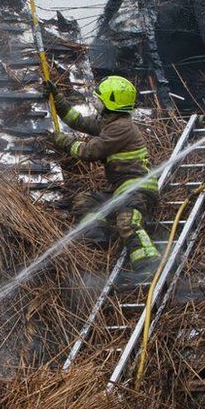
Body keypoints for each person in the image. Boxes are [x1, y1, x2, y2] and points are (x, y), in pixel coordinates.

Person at [45, 76, 162, 282]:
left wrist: (62, 141)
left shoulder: (121, 128)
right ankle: (99, 237)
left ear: (110, 102)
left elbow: (90, 151)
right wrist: (57, 99)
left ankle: (149, 264)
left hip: (137, 188)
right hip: (120, 190)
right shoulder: (109, 123)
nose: (95, 101)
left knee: (127, 221)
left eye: (98, 98)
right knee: (85, 201)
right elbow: (78, 121)